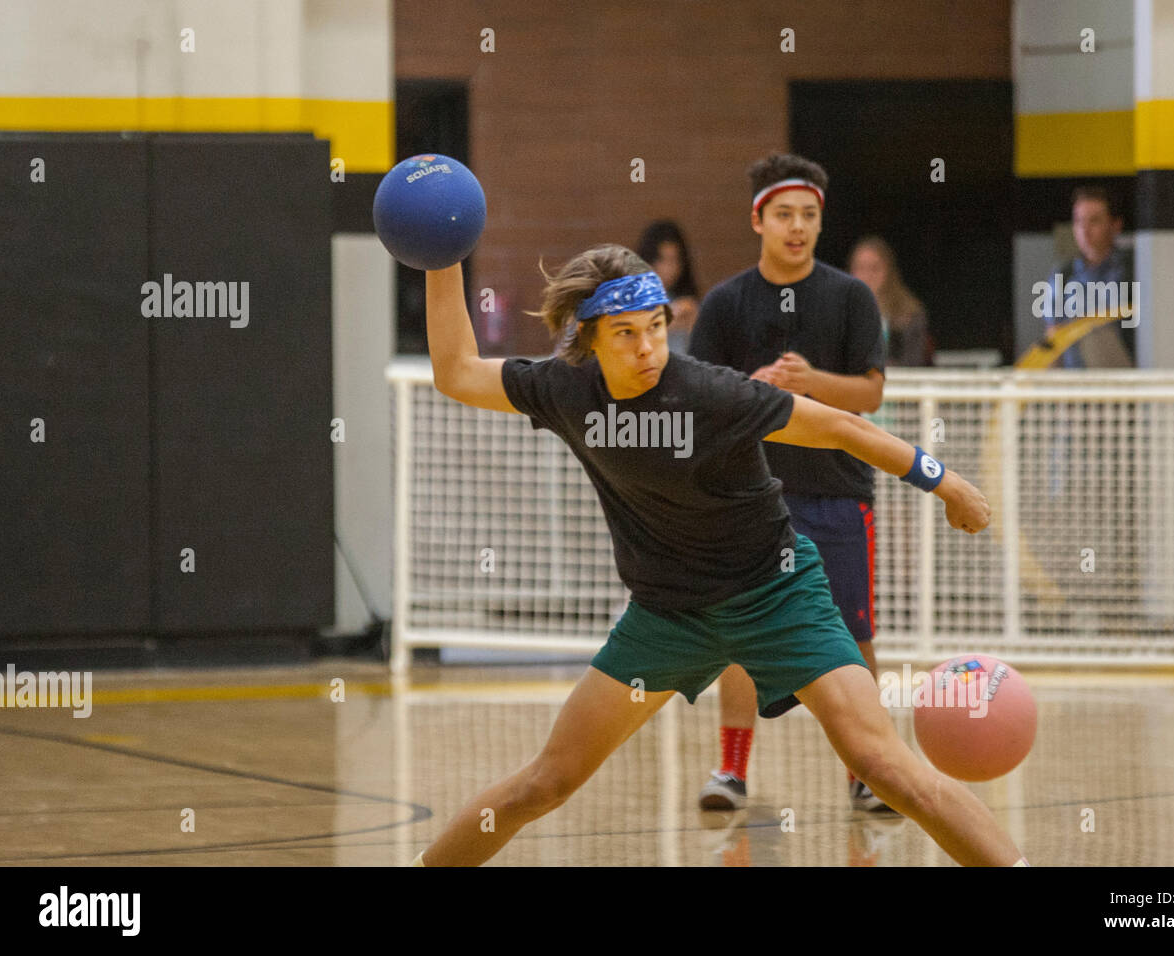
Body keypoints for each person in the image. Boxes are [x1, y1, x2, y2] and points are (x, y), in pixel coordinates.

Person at [412, 242, 1028, 867]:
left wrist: (944, 480)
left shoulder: (710, 394)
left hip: (778, 597)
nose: (648, 348)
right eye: (625, 334)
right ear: (589, 338)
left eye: (656, 328)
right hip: (666, 617)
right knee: (546, 782)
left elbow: (845, 426)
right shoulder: (565, 388)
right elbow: (456, 371)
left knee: (886, 768)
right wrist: (442, 250)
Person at [688, 154, 895, 814]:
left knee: (853, 637)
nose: (797, 227)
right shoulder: (724, 304)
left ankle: (869, 774)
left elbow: (870, 391)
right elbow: (695, 398)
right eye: (784, 215)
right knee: (739, 638)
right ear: (758, 219)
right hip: (749, 498)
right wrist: (757, 388)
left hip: (837, 493)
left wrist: (811, 385)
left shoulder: (850, 297)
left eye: (808, 215)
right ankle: (731, 771)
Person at [1041, 186, 1135, 369]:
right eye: (1079, 221)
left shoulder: (1133, 270)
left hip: (1120, 384)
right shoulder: (1062, 274)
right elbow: (1053, 336)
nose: (1084, 230)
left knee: (1097, 335)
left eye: (1094, 221)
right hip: (1075, 387)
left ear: (1115, 225)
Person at [849, 236, 934, 367]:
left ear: (889, 271)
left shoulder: (909, 315)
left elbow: (914, 364)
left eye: (874, 268)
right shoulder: (838, 312)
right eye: (860, 268)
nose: (867, 276)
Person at [637, 219, 700, 352]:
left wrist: (695, 321)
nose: (668, 269)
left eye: (675, 260)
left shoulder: (683, 300)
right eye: (661, 260)